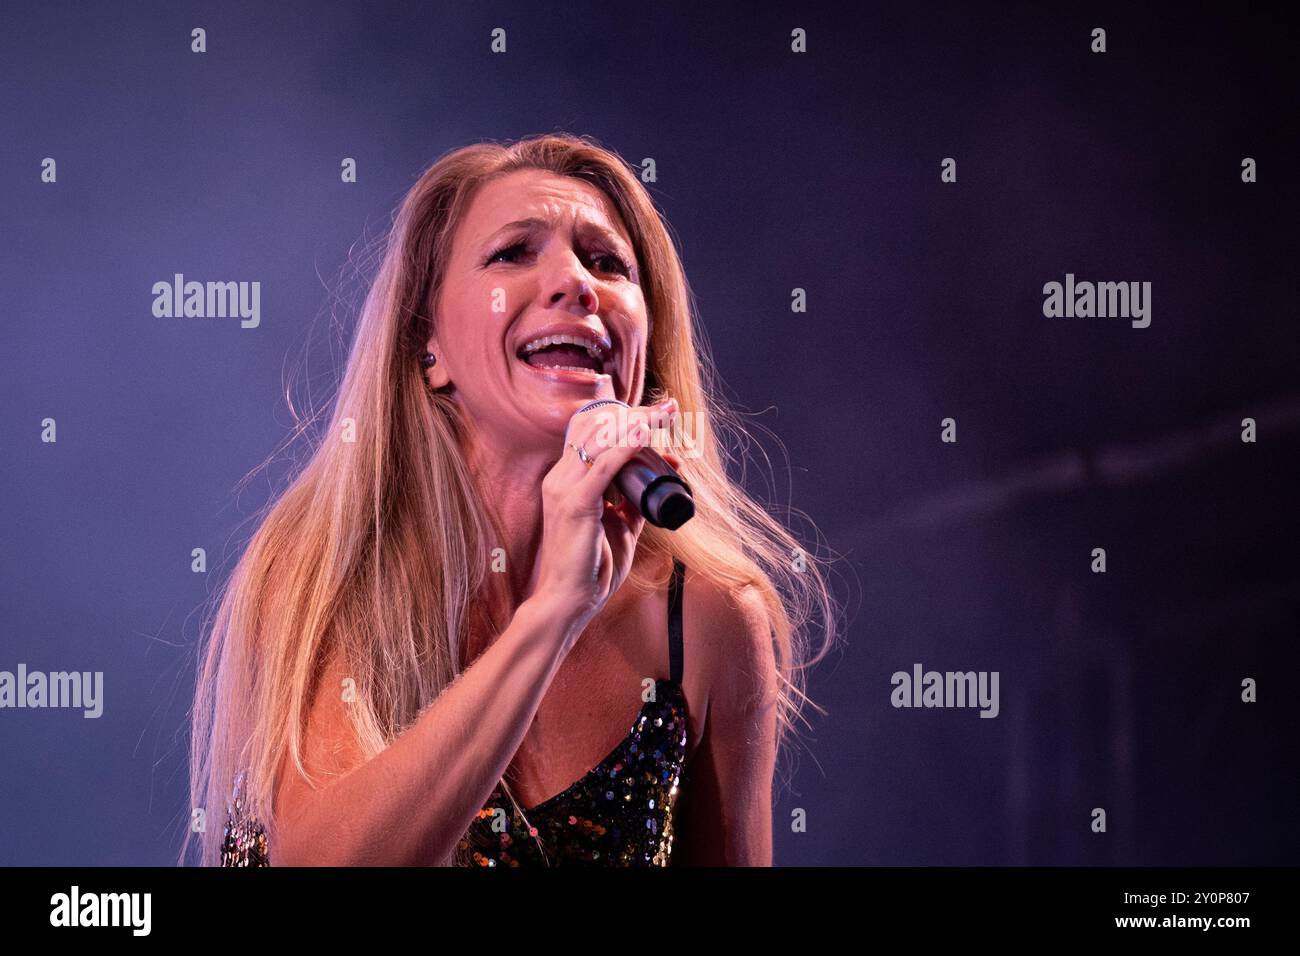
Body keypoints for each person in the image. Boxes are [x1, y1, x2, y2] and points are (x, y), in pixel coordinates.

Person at [186, 133, 837, 867]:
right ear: (428, 346)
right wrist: (554, 612)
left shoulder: (709, 620)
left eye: (606, 263)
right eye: (512, 254)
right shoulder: (332, 563)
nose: (576, 285)